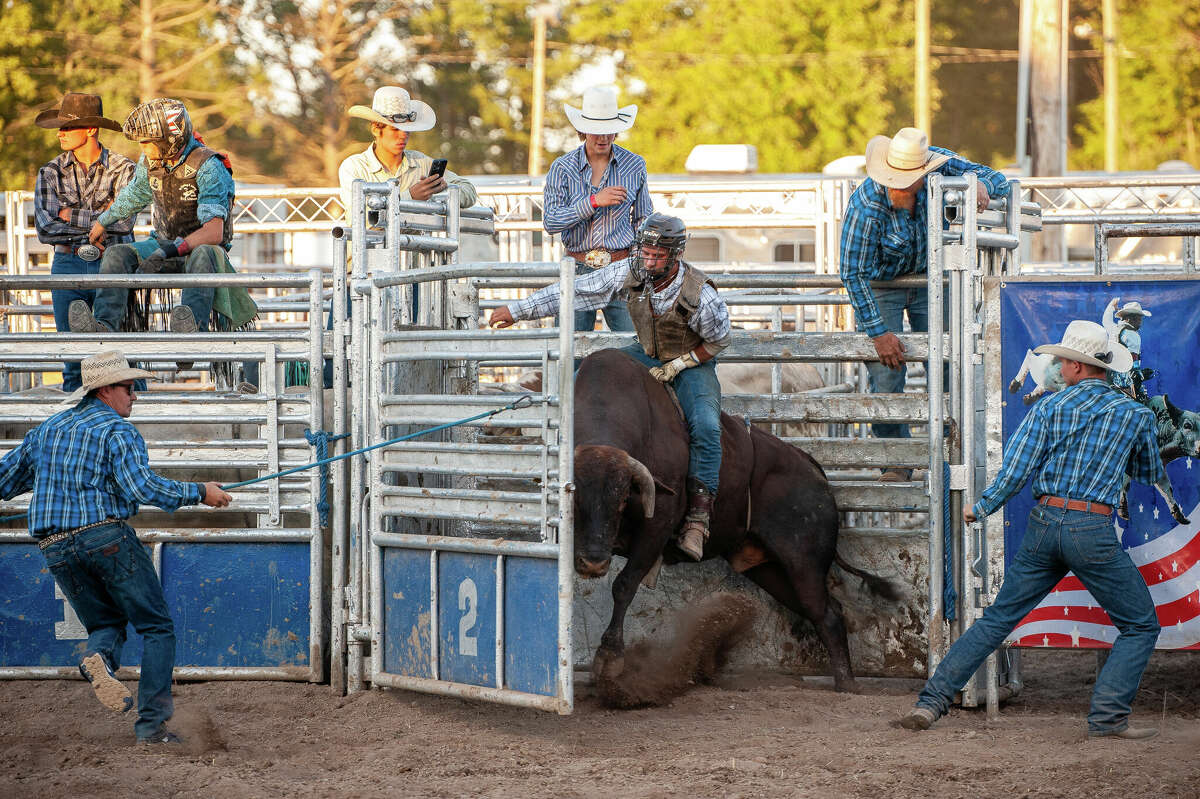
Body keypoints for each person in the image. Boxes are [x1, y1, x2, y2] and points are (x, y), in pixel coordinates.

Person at [899, 320, 1164, 740]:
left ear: (1078, 367)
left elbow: (1016, 471)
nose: (1058, 366)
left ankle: (931, 702)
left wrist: (980, 508)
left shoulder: (1048, 407)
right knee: (1140, 625)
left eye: (1062, 361)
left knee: (999, 618)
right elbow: (1148, 472)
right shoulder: (1134, 414)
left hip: (1045, 524)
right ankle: (1108, 718)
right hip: (1092, 527)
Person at [0, 351, 233, 744]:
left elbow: (5, 481)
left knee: (106, 623)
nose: (135, 396)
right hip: (105, 537)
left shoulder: (47, 430)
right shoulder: (117, 431)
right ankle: (151, 727)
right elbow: (142, 488)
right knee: (156, 627)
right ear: (106, 389)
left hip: (54, 546)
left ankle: (101, 660)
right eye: (130, 387)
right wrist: (200, 492)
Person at [490, 213, 729, 559]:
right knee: (592, 378)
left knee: (707, 425)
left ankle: (697, 518)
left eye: (657, 255)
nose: (648, 260)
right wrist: (516, 309)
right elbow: (575, 291)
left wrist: (680, 364)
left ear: (675, 255)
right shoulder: (631, 271)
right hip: (646, 351)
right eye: (645, 251)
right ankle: (561, 482)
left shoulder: (701, 294)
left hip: (692, 359)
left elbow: (719, 341)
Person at [839, 127, 1009, 481]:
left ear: (921, 176)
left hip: (931, 279)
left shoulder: (939, 165)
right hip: (881, 285)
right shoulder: (867, 205)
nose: (898, 186)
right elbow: (853, 273)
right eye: (893, 180)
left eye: (905, 181)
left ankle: (950, 456)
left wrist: (980, 185)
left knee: (949, 365)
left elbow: (999, 179)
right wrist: (878, 332)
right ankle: (897, 459)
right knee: (886, 374)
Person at [70, 98, 258, 387]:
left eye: (148, 142)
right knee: (119, 254)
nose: (143, 150)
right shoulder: (151, 161)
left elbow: (214, 232)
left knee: (205, 252)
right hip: (162, 244)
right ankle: (103, 328)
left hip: (200, 254)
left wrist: (170, 249)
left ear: (170, 139)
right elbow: (134, 196)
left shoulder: (209, 166)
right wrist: (102, 221)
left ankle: (190, 331)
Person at [32, 93, 137, 392]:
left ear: (91, 129)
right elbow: (45, 229)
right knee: (73, 357)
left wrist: (69, 215)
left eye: (67, 127)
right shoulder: (50, 172)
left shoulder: (124, 168)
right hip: (69, 261)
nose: (60, 133)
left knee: (118, 355)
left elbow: (125, 222)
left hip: (112, 263)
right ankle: (77, 430)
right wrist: (101, 220)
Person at [543, 85, 652, 333]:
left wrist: (637, 261)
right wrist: (593, 202)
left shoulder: (635, 165)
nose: (603, 138)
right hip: (577, 267)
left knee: (633, 346)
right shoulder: (562, 167)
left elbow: (643, 218)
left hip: (622, 267)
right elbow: (550, 221)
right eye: (596, 132)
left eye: (608, 131)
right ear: (583, 130)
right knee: (571, 351)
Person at [338, 86, 478, 218]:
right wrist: (410, 197)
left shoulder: (421, 163)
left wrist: (441, 190)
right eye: (395, 129)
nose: (403, 135)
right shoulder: (354, 167)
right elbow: (359, 217)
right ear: (375, 129)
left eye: (407, 130)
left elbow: (469, 191)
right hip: (370, 245)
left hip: (412, 245)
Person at [1111, 300, 1152, 402]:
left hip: (1113, 379)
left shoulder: (1116, 331)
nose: (1140, 322)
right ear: (1130, 319)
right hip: (1126, 382)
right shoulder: (1132, 334)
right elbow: (1133, 358)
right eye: (1138, 318)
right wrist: (1140, 374)